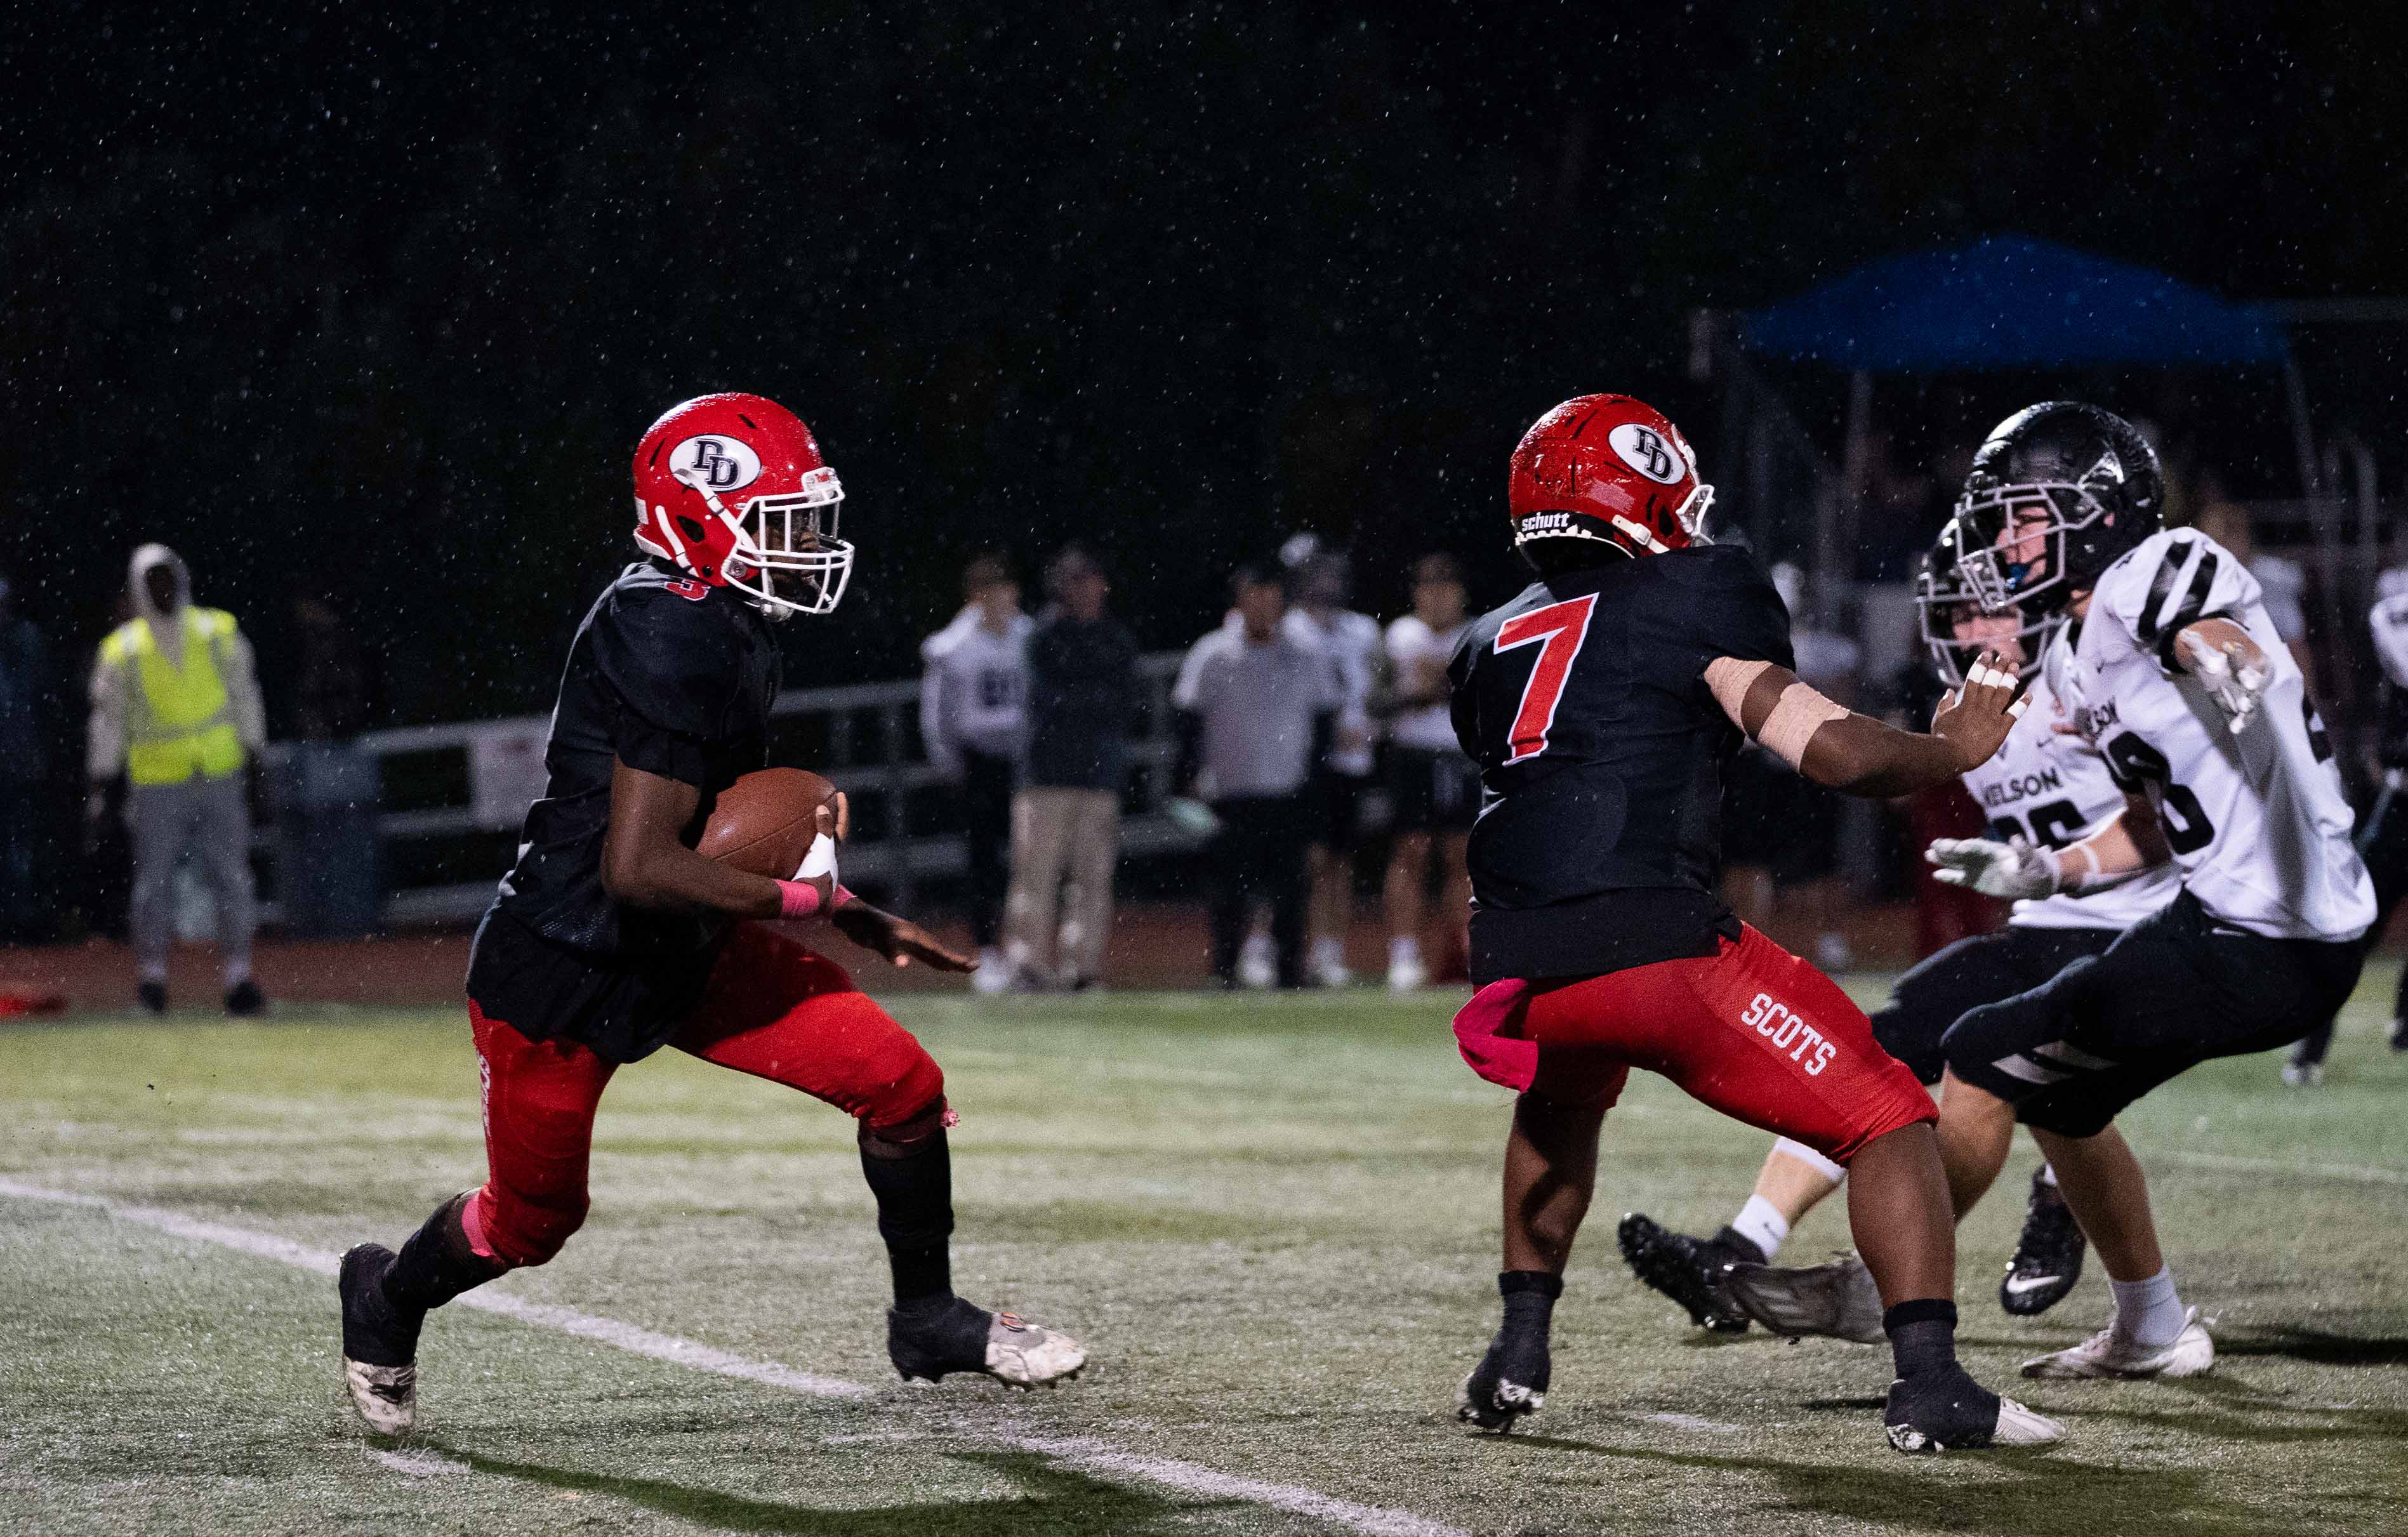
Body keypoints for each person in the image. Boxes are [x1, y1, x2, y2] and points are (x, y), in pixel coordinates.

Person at [335, 394, 1084, 1438]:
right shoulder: (670, 624)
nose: (810, 544)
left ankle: (925, 1315)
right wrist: (807, 901)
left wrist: (853, 913)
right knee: (531, 1220)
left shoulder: (726, 612)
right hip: (569, 963)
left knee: (901, 1084)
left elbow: (707, 831)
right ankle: (383, 1294)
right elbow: (640, 867)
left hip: (685, 945)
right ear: (696, 519)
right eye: (786, 521)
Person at [1446, 393, 2058, 1453]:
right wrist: (1951, 749)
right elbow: (1832, 752)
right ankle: (1929, 1382)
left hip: (1521, 960)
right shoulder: (1694, 590)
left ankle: (1514, 1349)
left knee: (1562, 1104)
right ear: (1642, 489)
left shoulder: (1484, 642)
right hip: (1657, 945)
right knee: (1884, 1115)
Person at [1897, 402, 2371, 1383]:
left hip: (2270, 933)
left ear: (2099, 507)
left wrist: (2242, 688)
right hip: (2222, 917)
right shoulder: (2071, 651)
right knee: (2062, 1099)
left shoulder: (2149, 568)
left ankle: (1894, 1298)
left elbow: (2217, 646)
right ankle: (2150, 1328)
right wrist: (2043, 870)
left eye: (2027, 515)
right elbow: (2154, 818)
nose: (2006, 536)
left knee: (1983, 1050)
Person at [1618, 538, 2179, 1342]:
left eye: (1987, 607)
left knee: (1987, 1065)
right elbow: (1891, 782)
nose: (1968, 626)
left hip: (2130, 922)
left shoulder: (2086, 679)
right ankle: (1740, 1248)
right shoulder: (1965, 704)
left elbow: (2163, 823)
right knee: (1873, 1051)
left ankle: (2031, 1204)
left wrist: (2055, 866)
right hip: (2039, 926)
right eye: (1955, 612)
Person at [86, 544, 269, 1016]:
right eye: (152, 581)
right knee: (154, 884)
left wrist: (254, 760)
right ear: (139, 587)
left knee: (231, 876)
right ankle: (152, 979)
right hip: (157, 781)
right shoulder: (123, 649)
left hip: (218, 770)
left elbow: (246, 696)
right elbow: (109, 721)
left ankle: (239, 976)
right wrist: (102, 782)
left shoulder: (216, 631)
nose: (162, 589)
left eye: (167, 577)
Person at [1173, 564, 1340, 989]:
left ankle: (1290, 973)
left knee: (1290, 893)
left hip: (1288, 789)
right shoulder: (1212, 654)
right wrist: (1188, 777)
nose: (1264, 607)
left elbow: (1323, 717)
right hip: (1230, 790)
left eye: (1271, 597)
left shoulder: (1306, 652)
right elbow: (1188, 720)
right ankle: (1225, 972)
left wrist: (1317, 779)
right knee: (1229, 891)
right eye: (1255, 597)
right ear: (1240, 602)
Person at [2284, 558, 2408, 1081]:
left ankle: (2405, 1022)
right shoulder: (2395, 604)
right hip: (2404, 803)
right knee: (2355, 925)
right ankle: (2311, 1048)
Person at [1006, 544, 1139, 991]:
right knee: (1036, 876)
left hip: (1097, 774)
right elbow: (1049, 701)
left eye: (1091, 580)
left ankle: (1082, 969)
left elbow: (1123, 704)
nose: (1086, 590)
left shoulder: (1115, 638)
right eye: (1076, 581)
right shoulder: (1044, 637)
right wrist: (1092, 702)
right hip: (1046, 776)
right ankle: (1030, 966)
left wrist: (1083, 703)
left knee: (1092, 879)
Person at [920, 553, 1029, 993]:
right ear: (978, 596)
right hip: (979, 762)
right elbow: (936, 713)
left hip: (1023, 760)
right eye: (996, 590)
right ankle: (987, 950)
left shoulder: (1028, 635)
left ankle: (1023, 947)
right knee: (984, 862)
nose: (1006, 598)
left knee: (1027, 860)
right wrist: (947, 762)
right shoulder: (953, 645)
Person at [1281, 536, 1382, 989]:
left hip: (1351, 759)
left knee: (1340, 860)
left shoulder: (1362, 630)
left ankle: (1329, 950)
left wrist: (1373, 726)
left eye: (1329, 570)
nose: (1325, 579)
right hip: (1300, 759)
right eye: (1315, 570)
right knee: (1299, 859)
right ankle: (1272, 945)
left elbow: (1380, 692)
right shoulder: (1289, 629)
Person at [1380, 553, 1479, 991]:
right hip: (1413, 754)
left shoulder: (1477, 633)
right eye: (1429, 588)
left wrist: (1437, 684)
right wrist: (1437, 686)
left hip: (1461, 754)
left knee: (1462, 855)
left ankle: (1463, 949)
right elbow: (1382, 695)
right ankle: (1404, 952)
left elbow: (1471, 692)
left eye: (1446, 588)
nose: (1438, 599)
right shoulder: (1401, 634)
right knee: (1411, 852)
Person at [279, 592, 383, 939]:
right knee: (321, 843)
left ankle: (347, 922)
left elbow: (353, 700)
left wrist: (328, 723)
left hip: (340, 754)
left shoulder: (338, 645)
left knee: (344, 844)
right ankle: (324, 922)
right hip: (320, 755)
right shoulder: (305, 647)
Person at [0, 569, 53, 941]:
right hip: (18, 758)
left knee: (22, 845)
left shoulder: (26, 640)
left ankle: (24, 923)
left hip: (20, 761)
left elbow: (42, 699)